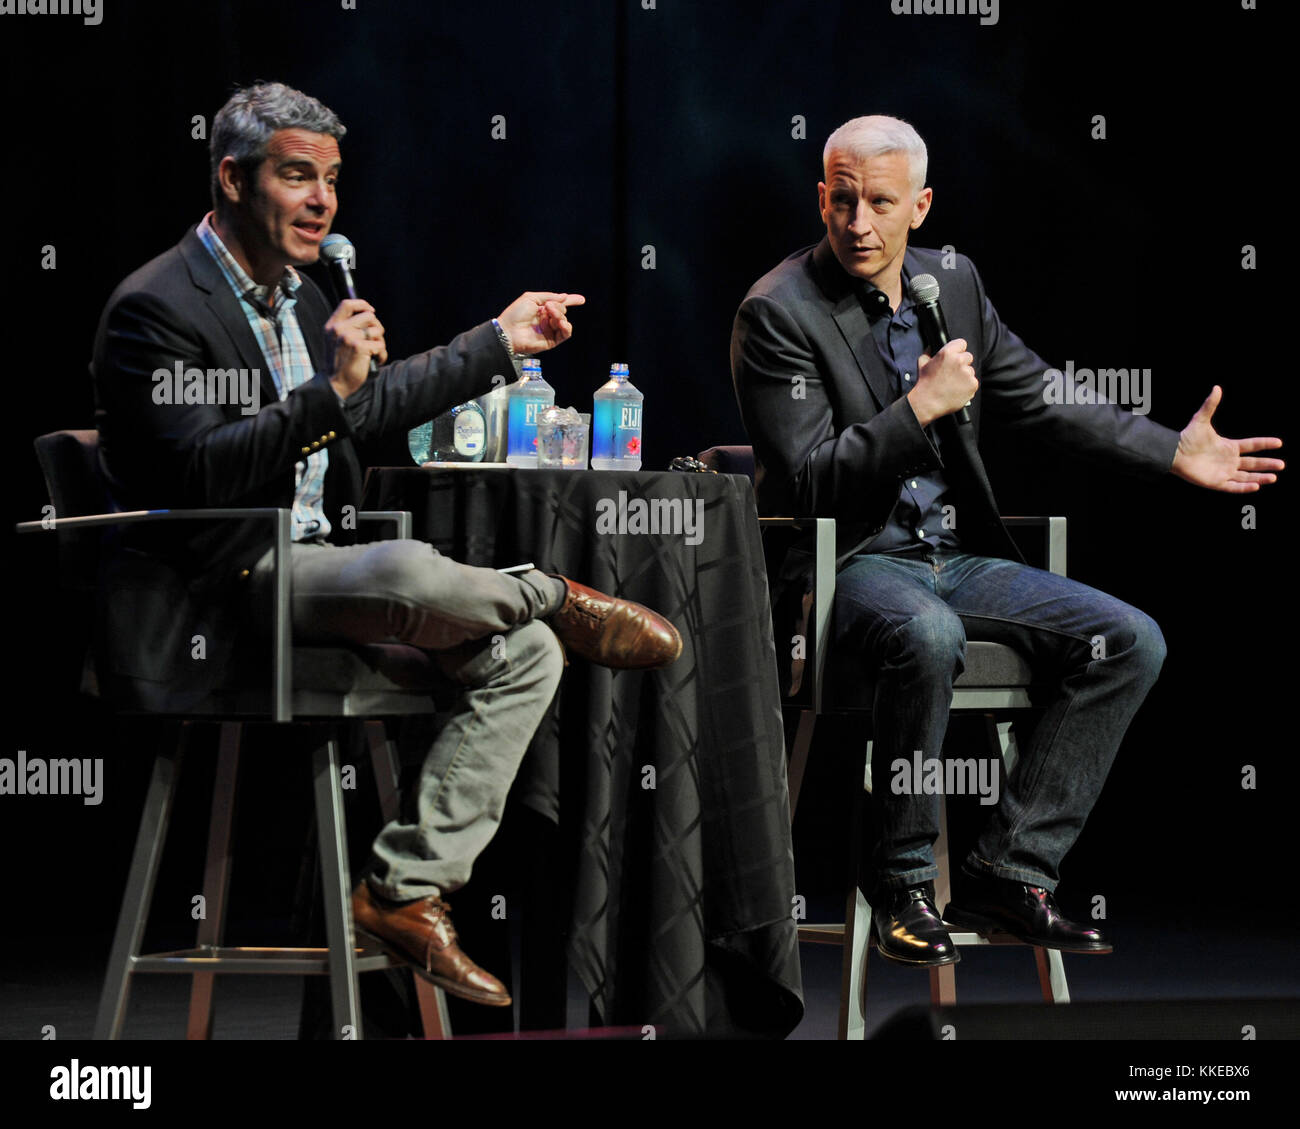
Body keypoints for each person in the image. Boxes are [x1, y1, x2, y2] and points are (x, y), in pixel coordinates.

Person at [91, 82, 682, 1006]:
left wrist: (500, 341)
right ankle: (555, 595)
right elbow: (199, 477)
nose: (323, 202)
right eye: (297, 177)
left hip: (316, 568)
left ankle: (404, 889)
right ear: (233, 179)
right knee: (411, 568)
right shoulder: (156, 308)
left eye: (330, 179)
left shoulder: (301, 294)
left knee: (523, 655)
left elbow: (362, 413)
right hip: (217, 585)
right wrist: (327, 393)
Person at [730, 115, 1283, 967]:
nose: (858, 224)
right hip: (845, 565)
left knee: (1130, 641)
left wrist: (1170, 449)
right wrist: (916, 410)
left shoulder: (951, 283)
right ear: (821, 197)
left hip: (955, 555)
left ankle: (1009, 870)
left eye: (880, 203)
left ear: (921, 205)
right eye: (842, 201)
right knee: (927, 633)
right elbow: (809, 482)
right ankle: (906, 881)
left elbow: (1045, 395)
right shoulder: (777, 312)